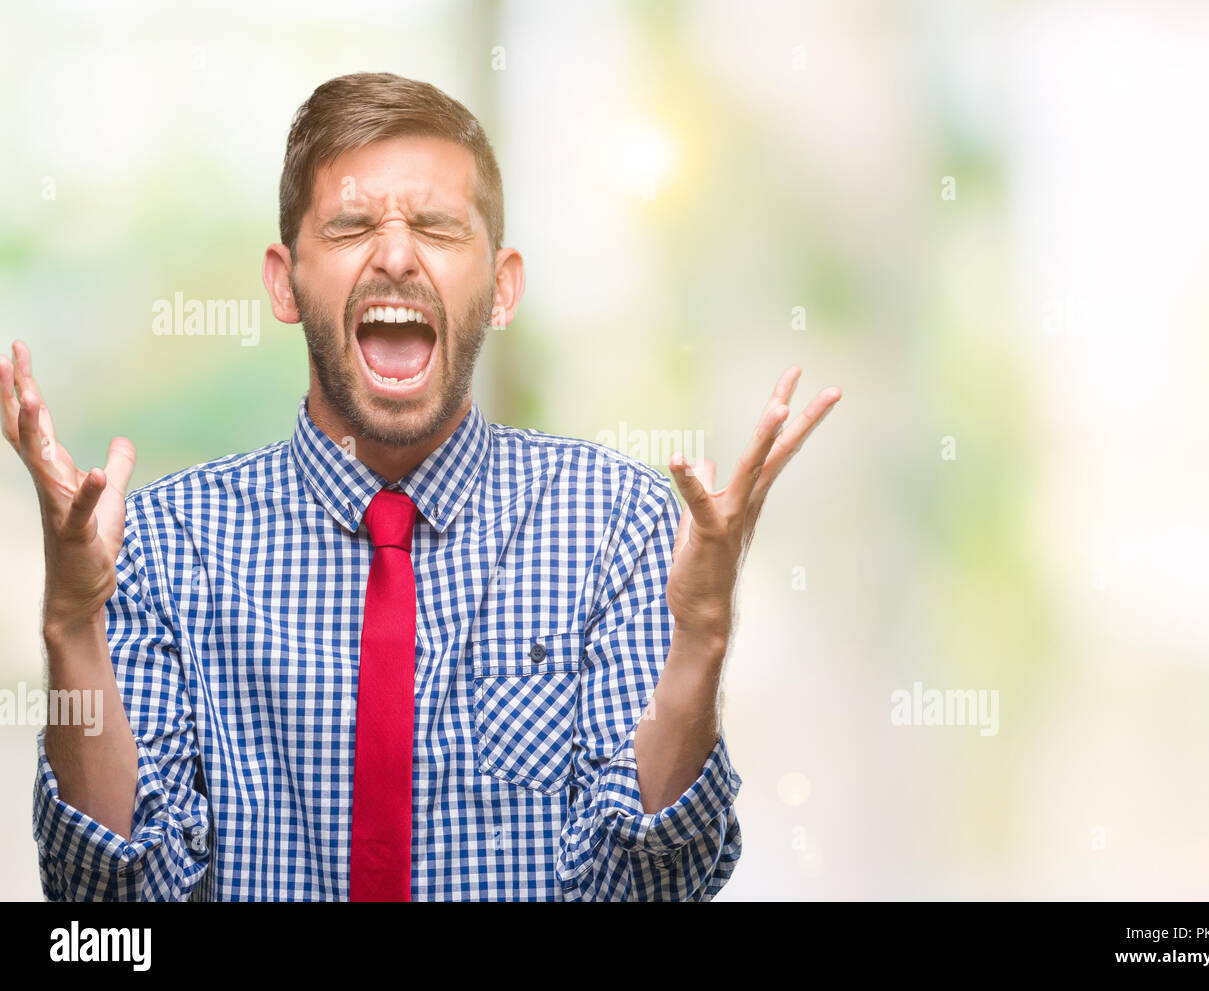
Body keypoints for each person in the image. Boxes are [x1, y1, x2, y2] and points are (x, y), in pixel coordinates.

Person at [4, 72, 841, 901]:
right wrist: (72, 621)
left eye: (437, 227)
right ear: (284, 280)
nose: (397, 255)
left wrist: (700, 635)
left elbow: (652, 887)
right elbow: (109, 911)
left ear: (502, 285)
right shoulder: (162, 543)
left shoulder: (613, 524)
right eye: (351, 225)